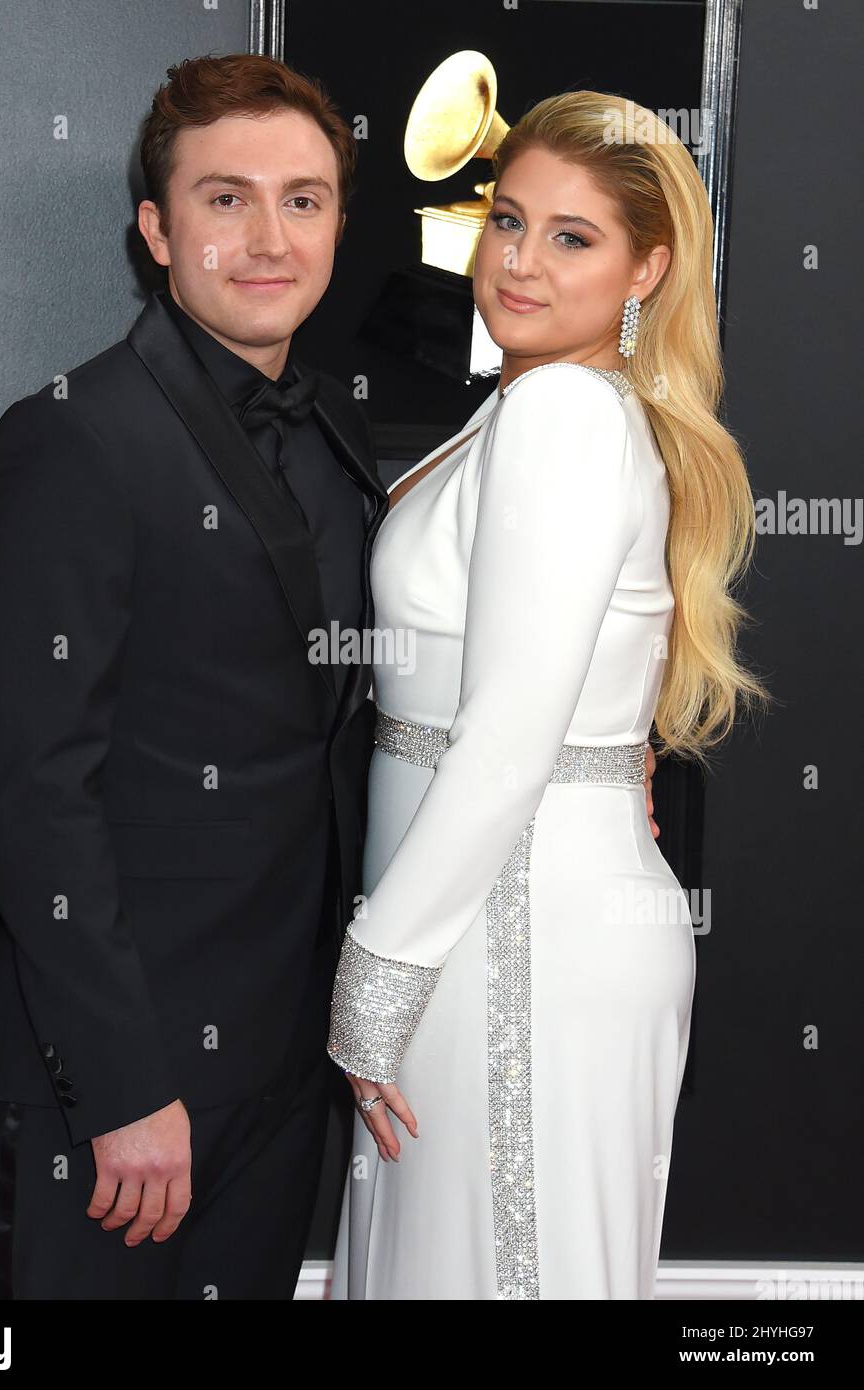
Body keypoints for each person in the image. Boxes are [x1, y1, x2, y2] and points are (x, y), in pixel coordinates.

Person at [0, 53, 385, 1300]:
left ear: (339, 221)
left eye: (302, 198)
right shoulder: (69, 436)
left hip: (288, 1063)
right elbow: (31, 791)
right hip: (120, 1081)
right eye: (224, 198)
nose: (268, 236)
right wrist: (123, 1085)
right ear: (155, 229)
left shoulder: (341, 432)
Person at [326, 92, 769, 1300]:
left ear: (648, 265)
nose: (518, 261)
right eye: (505, 220)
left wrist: (377, 965)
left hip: (506, 925)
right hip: (496, 910)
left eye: (571, 237)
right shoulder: (542, 404)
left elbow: (510, 735)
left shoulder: (565, 413)